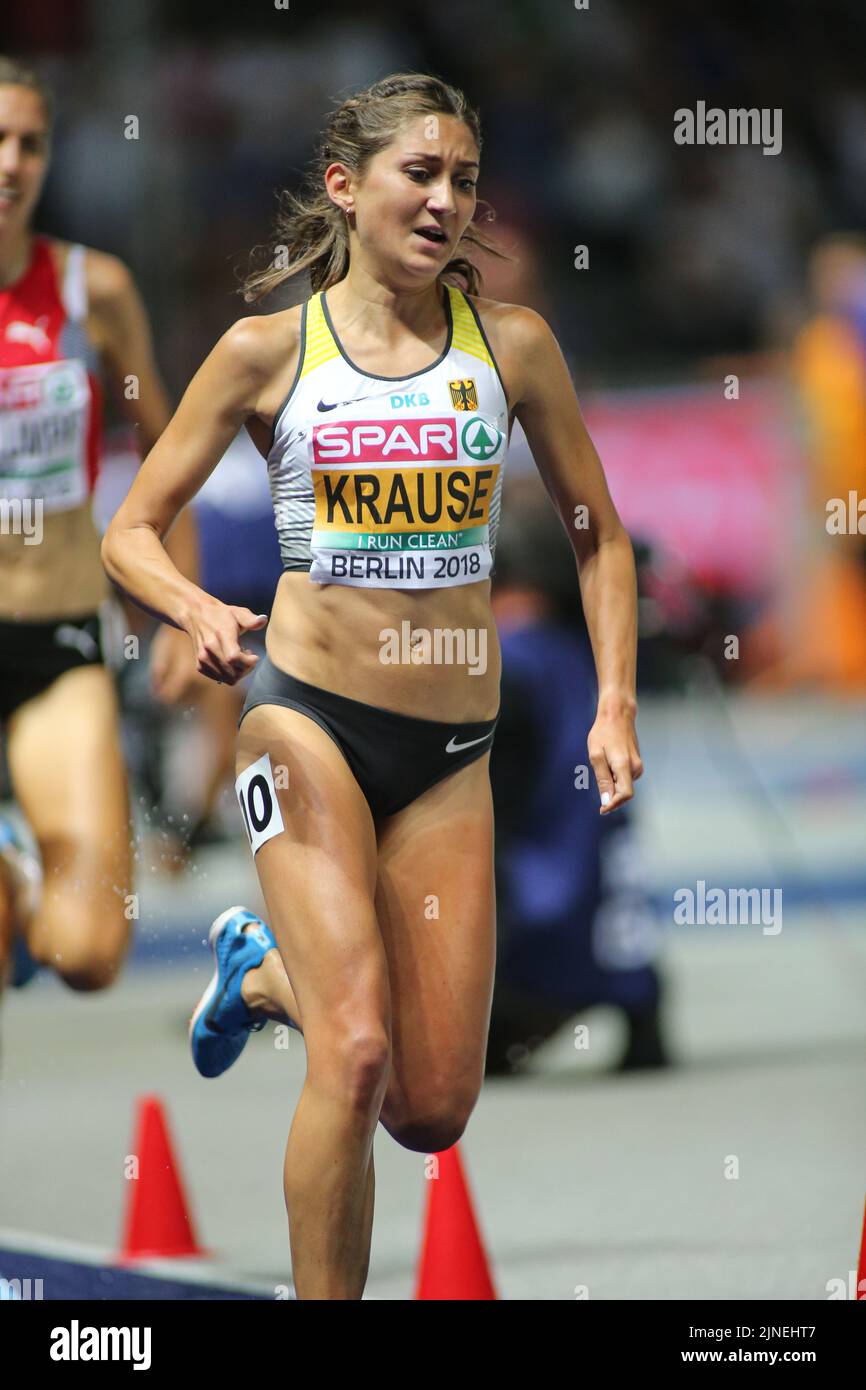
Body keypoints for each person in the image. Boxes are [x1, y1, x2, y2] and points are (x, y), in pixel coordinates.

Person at [102, 72, 643, 1301]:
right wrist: (191, 607)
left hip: (449, 752)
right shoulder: (264, 352)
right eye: (421, 174)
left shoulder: (510, 348)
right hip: (302, 722)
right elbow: (131, 528)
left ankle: (259, 972)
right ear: (346, 188)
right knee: (350, 1052)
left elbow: (596, 535)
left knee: (431, 1105)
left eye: (463, 179)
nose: (447, 200)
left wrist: (613, 700)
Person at [0, 58, 196, 996]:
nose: (10, 162)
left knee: (87, 954)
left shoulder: (95, 290)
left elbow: (169, 452)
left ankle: (17, 865)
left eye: (29, 143)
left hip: (59, 636)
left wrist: (181, 609)